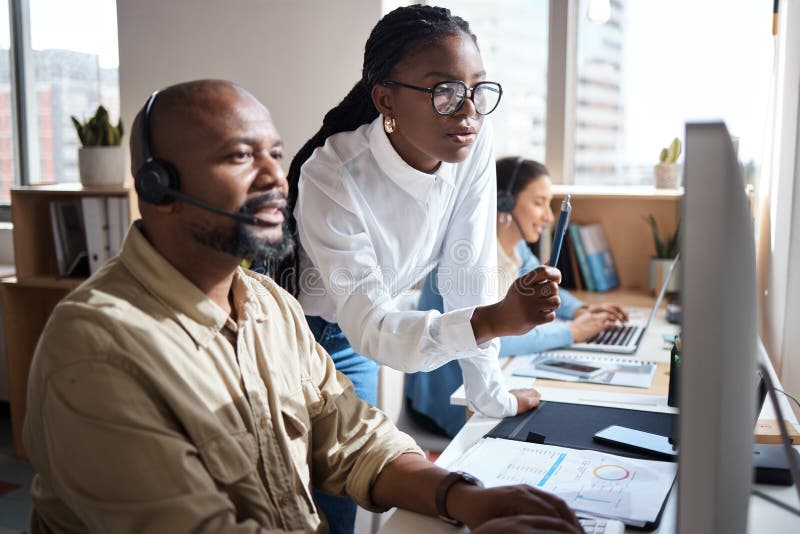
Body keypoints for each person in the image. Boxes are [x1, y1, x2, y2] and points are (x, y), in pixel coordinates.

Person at [22, 80, 582, 534]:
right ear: (158, 186)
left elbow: (352, 437)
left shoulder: (269, 306)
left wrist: (462, 497)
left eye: (276, 154)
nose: (274, 180)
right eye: (241, 157)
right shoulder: (97, 349)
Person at [283, 7, 561, 531]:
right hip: (306, 338)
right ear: (386, 99)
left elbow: (467, 274)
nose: (468, 113)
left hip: (361, 331)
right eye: (445, 91)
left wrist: (489, 394)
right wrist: (494, 320)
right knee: (324, 511)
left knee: (347, 496)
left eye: (477, 89)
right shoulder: (332, 175)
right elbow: (372, 327)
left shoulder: (471, 146)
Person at [406, 157, 629, 437]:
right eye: (539, 203)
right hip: (450, 400)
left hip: (483, 386)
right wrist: (572, 332)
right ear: (504, 201)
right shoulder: (468, 257)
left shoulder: (516, 247)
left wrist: (580, 311)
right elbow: (498, 335)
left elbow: (543, 280)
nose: (548, 217)